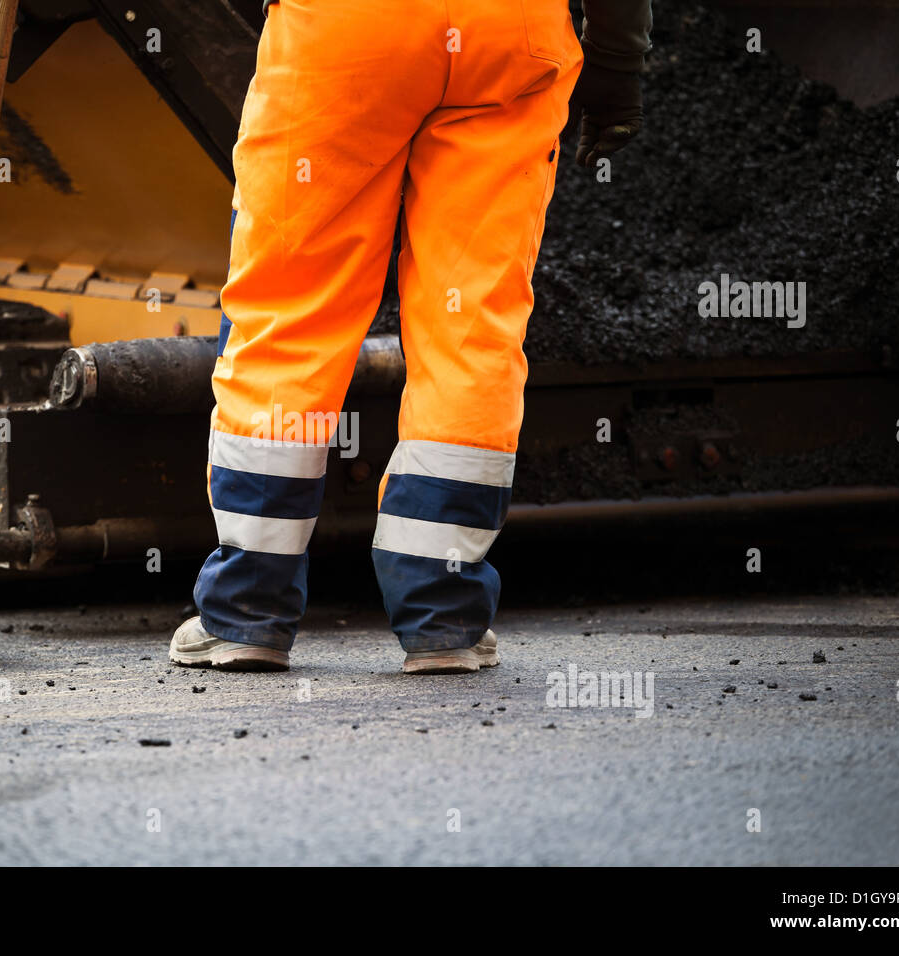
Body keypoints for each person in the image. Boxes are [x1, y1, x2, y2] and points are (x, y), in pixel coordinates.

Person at [171, 0, 653, 674]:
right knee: (471, 322)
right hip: (508, 37)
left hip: (348, 29)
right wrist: (617, 68)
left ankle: (246, 609)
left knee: (294, 302)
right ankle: (443, 617)